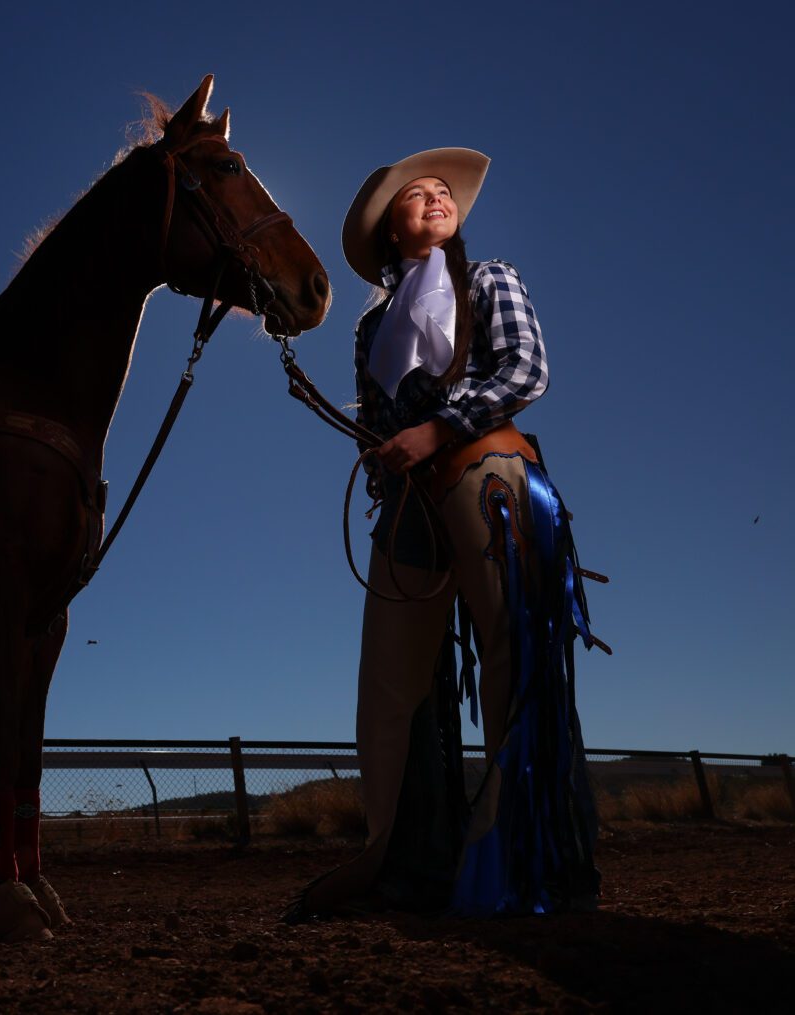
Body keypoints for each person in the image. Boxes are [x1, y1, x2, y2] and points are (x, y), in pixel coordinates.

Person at [285, 148, 604, 920]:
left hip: (486, 471)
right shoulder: (370, 327)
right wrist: (382, 458)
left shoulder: (488, 278)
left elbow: (525, 369)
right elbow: (375, 418)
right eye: (416, 194)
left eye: (442, 192)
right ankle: (405, 862)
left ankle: (532, 859)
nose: (435, 197)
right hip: (410, 504)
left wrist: (437, 428)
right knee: (392, 685)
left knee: (514, 652)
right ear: (390, 230)